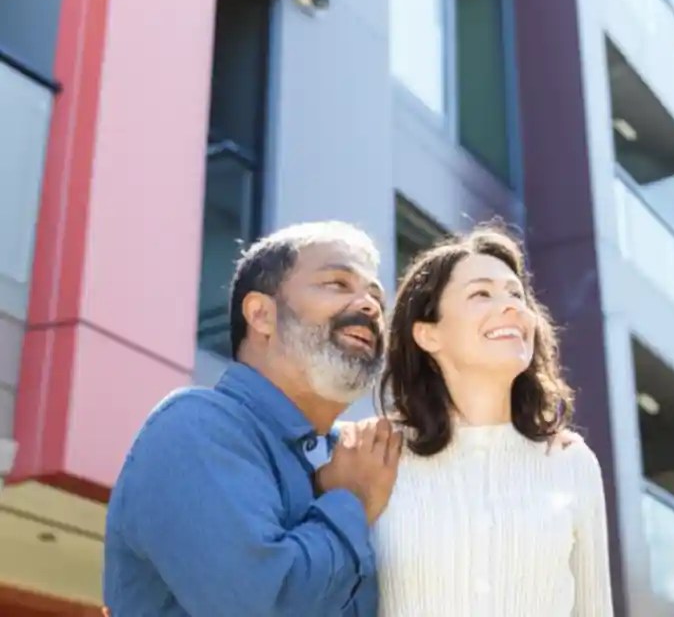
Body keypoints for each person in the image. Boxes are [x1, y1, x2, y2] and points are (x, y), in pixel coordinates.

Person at [104, 222, 400, 616]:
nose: (370, 307)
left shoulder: (357, 456)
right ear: (261, 314)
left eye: (376, 297)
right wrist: (351, 500)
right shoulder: (193, 428)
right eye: (337, 284)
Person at [374, 225, 613, 616]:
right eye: (481, 293)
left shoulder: (571, 463)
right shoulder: (376, 455)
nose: (514, 307)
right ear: (428, 335)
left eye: (517, 294)